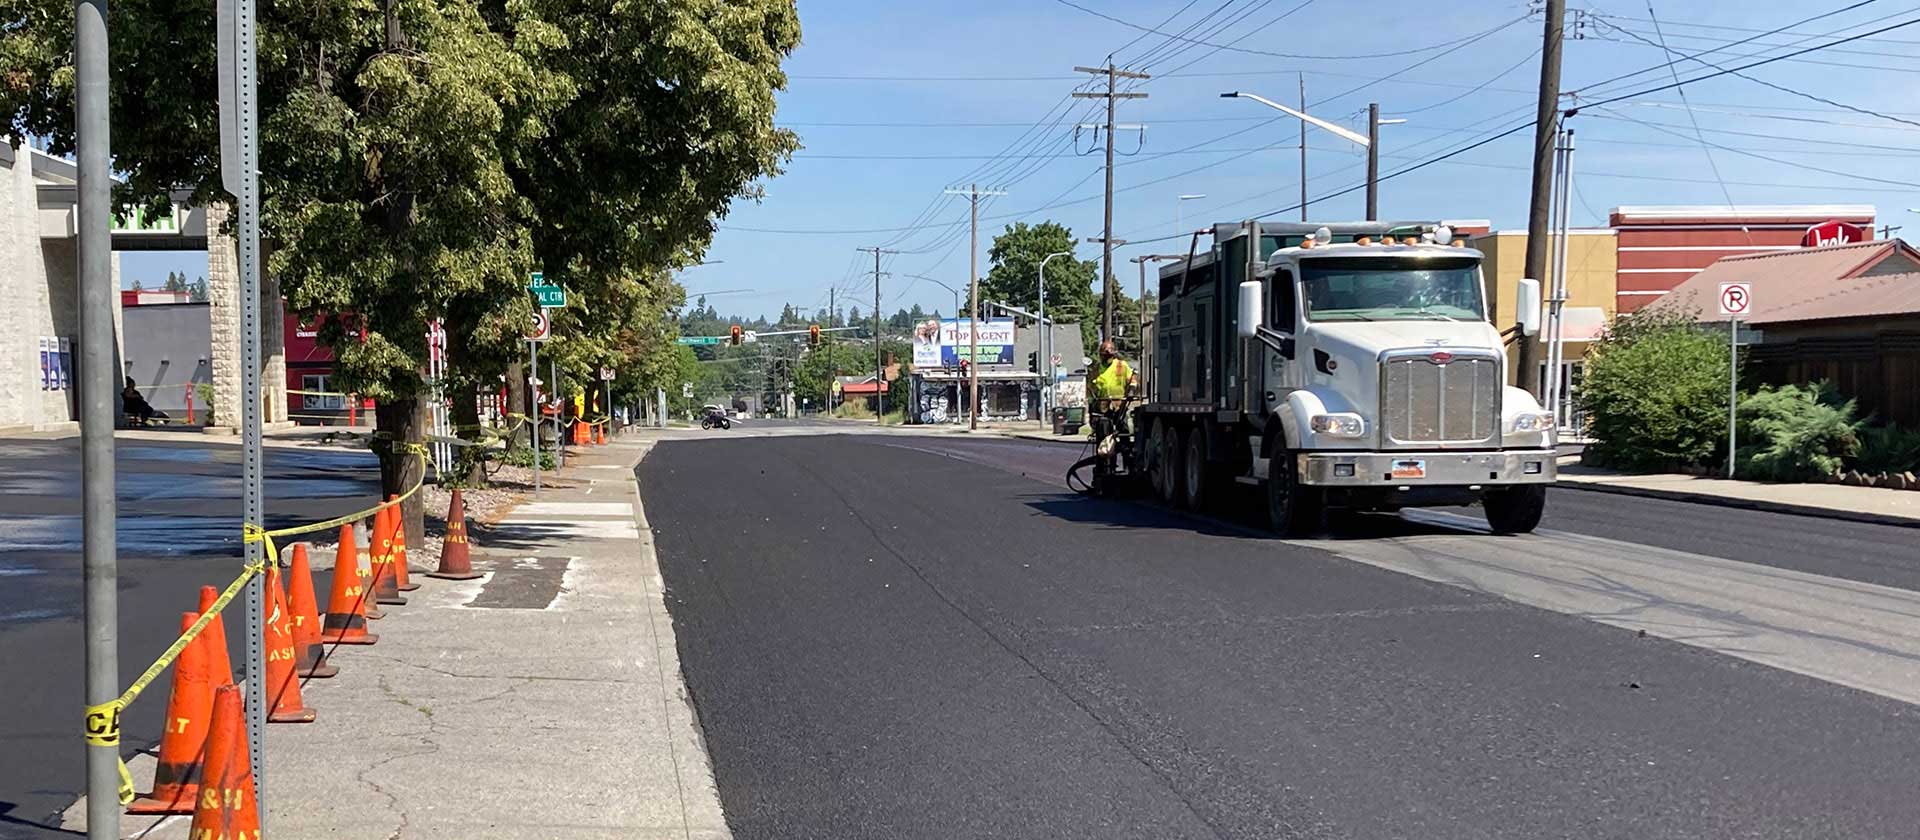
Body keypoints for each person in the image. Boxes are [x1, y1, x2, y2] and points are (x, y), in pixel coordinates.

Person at [1087, 340, 1136, 439]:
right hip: (1103, 406)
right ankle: (1104, 450)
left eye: (1109, 356)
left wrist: (1131, 392)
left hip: (1119, 404)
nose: (1107, 358)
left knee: (1123, 428)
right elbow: (1090, 388)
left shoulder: (1121, 365)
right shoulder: (1096, 369)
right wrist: (1092, 404)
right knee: (1103, 430)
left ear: (1113, 355)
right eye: (1104, 355)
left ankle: (1125, 449)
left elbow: (1133, 381)